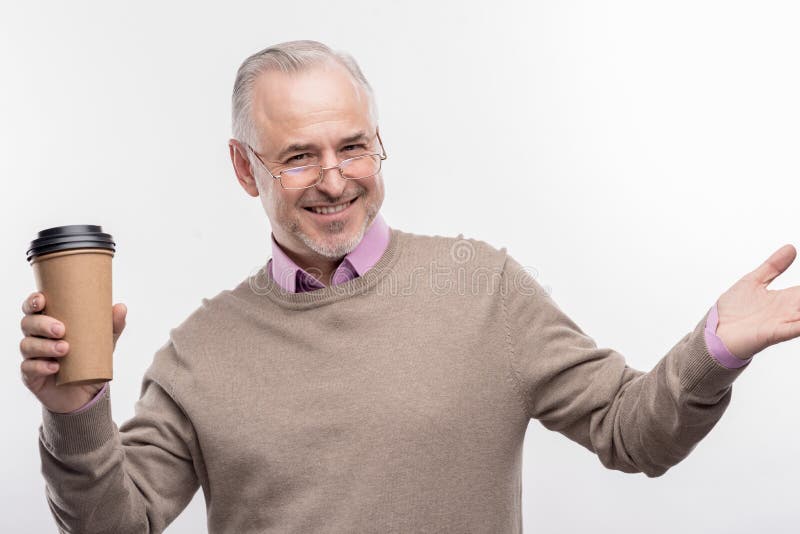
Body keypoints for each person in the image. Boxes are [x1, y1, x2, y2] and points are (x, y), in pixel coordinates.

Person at [19, 40, 800, 533]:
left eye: (353, 146)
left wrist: (713, 350)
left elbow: (634, 433)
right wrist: (74, 412)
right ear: (242, 166)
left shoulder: (483, 286)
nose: (334, 179)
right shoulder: (199, 354)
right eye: (297, 157)